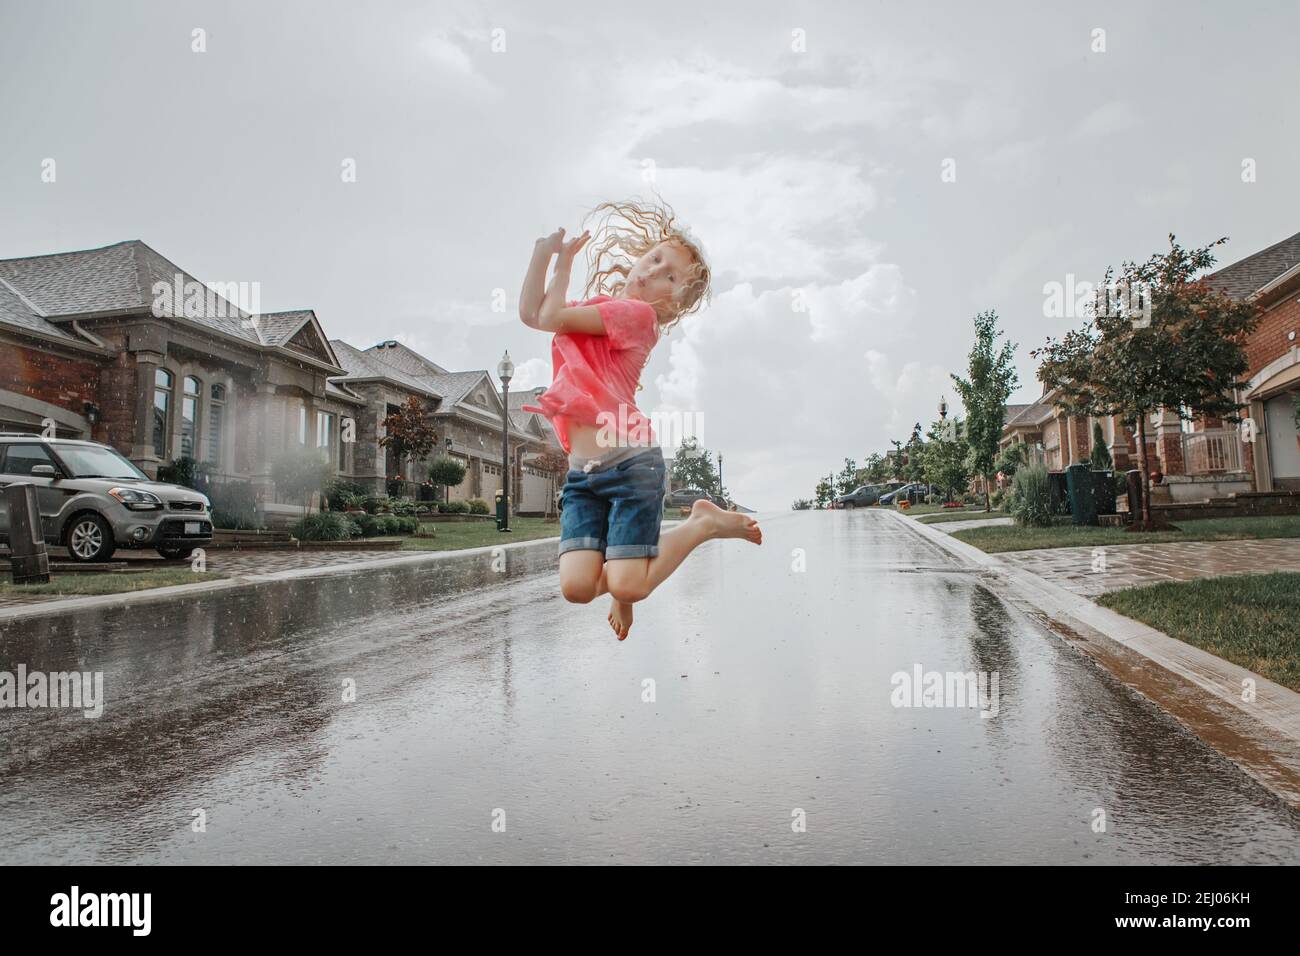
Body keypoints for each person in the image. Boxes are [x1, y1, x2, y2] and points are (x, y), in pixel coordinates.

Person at [519, 198, 761, 640]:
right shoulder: (601, 310)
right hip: (583, 475)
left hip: (632, 466)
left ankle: (701, 524)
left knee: (629, 584)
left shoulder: (638, 316)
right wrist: (542, 253)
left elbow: (549, 316)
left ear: (674, 304)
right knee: (577, 588)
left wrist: (562, 264)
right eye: (654, 259)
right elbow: (531, 315)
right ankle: (623, 578)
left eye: (670, 277)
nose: (652, 271)